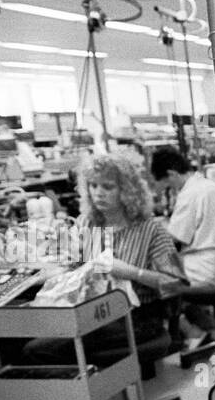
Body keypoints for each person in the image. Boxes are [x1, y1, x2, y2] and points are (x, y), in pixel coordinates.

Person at [24, 153, 187, 370]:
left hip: (136, 318)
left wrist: (132, 272)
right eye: (93, 185)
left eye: (108, 187)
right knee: (22, 333)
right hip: (94, 310)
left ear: (127, 190)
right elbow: (77, 266)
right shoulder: (88, 224)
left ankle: (86, 388)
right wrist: (56, 268)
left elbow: (177, 285)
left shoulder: (152, 230)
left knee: (37, 349)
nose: (98, 193)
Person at [150, 145, 215, 342]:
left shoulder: (190, 194)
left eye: (168, 185)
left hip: (202, 264)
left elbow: (175, 238)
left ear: (172, 174)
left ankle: (194, 332)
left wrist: (157, 228)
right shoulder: (210, 186)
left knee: (155, 284)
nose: (170, 190)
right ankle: (204, 326)